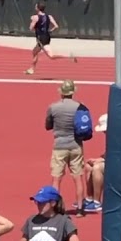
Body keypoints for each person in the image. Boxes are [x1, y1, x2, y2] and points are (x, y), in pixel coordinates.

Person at [46, 80, 89, 214]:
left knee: (56, 178)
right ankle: (80, 208)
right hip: (76, 145)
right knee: (78, 177)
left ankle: (55, 208)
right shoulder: (80, 107)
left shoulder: (53, 107)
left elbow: (48, 126)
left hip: (60, 145)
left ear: (62, 93)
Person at [25, 2, 76, 75]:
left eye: (36, 6)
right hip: (47, 36)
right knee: (34, 52)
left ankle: (68, 56)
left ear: (38, 8)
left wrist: (33, 23)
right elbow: (56, 26)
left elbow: (31, 28)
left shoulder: (36, 17)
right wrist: (49, 31)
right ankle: (32, 69)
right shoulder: (49, 16)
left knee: (51, 56)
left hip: (41, 38)